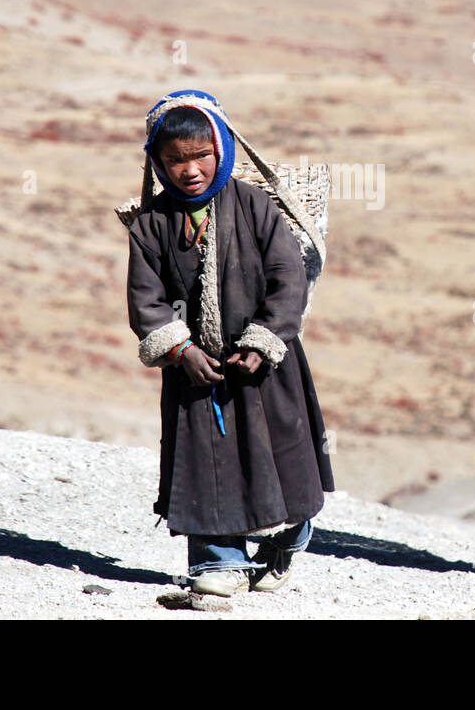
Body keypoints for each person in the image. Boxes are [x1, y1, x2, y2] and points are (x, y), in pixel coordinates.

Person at [125, 89, 335, 597]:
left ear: (222, 150)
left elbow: (289, 279)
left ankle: (288, 535)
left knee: (281, 458)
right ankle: (219, 564)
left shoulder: (254, 205)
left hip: (267, 363)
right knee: (204, 462)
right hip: (195, 370)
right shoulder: (150, 224)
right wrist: (180, 350)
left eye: (200, 155)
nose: (190, 169)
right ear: (158, 162)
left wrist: (264, 340)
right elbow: (145, 299)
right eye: (174, 159)